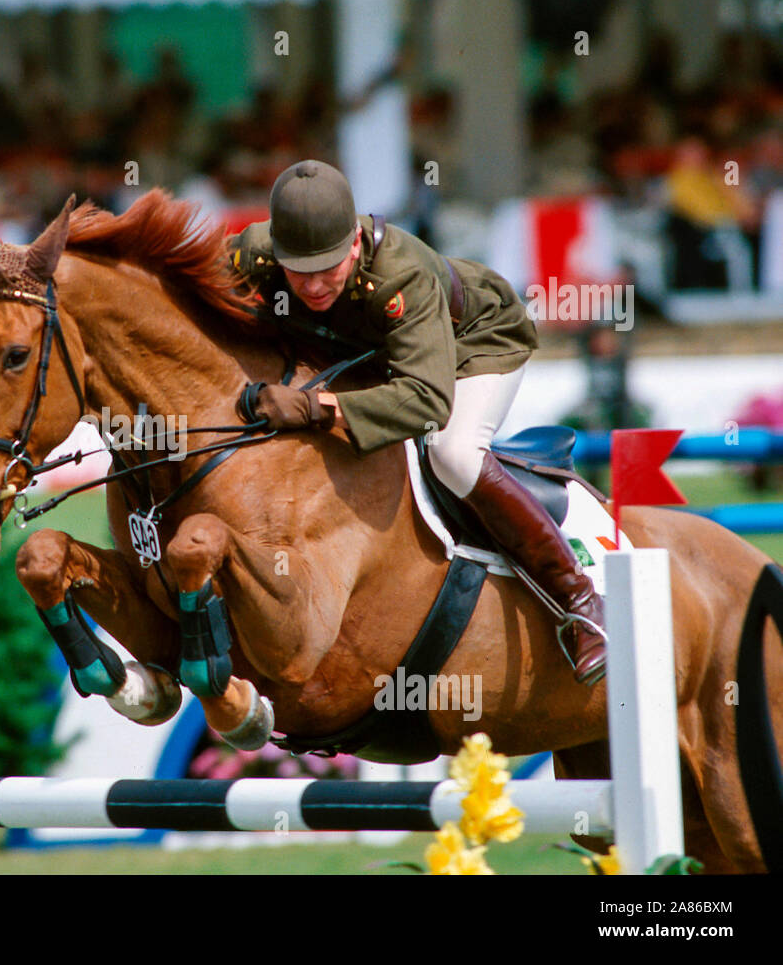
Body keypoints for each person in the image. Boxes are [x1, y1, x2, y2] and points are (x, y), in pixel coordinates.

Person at [228, 159, 605, 685]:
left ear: (355, 245)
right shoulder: (253, 251)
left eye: (328, 268)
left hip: (473, 341)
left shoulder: (400, 274)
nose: (312, 286)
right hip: (377, 352)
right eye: (299, 271)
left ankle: (580, 600)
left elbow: (426, 399)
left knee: (451, 454)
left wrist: (319, 408)